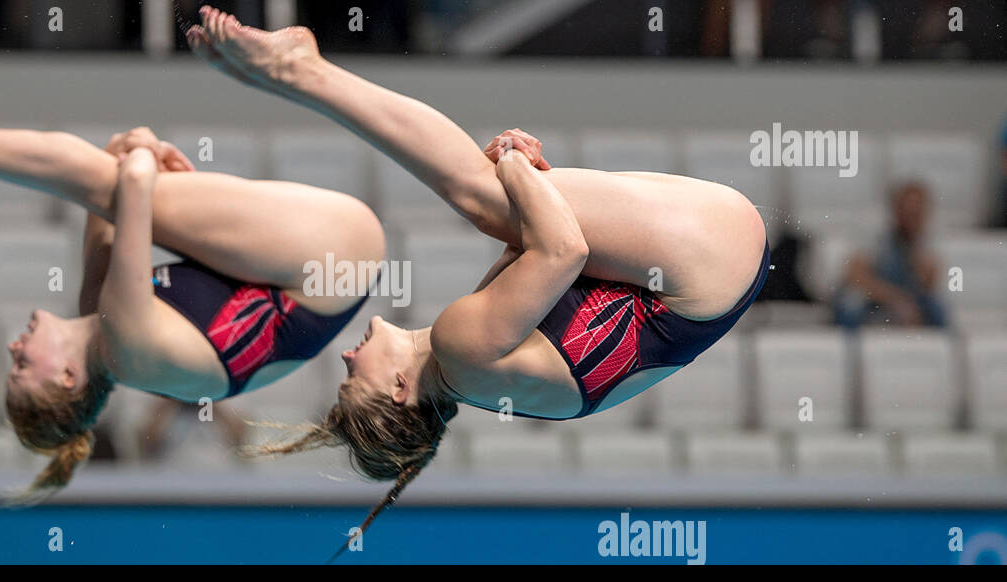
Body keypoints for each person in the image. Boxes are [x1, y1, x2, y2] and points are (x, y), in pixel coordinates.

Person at [186, 7, 770, 550]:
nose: (344, 362)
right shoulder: (460, 349)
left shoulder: (479, 373)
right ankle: (301, 71)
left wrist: (521, 180)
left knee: (491, 197)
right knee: (480, 191)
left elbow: (539, 247)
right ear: (397, 390)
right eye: (350, 382)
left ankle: (303, 70)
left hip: (720, 275)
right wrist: (515, 162)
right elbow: (564, 247)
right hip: (707, 260)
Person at [0, 105, 385, 501]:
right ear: (67, 376)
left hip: (310, 269)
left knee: (91, 174)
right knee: (87, 175)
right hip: (331, 256)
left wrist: (139, 154)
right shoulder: (131, 347)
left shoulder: (100, 308)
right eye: (21, 365)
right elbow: (127, 179)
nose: (15, 345)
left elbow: (118, 163)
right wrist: (142, 156)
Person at [834, 181, 946, 329]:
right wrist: (896, 299)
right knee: (850, 306)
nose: (912, 217)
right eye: (908, 212)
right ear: (896, 210)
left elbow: (928, 284)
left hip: (904, 298)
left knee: (937, 309)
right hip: (873, 297)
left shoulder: (924, 239)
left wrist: (916, 253)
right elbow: (855, 276)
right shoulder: (875, 233)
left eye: (917, 213)